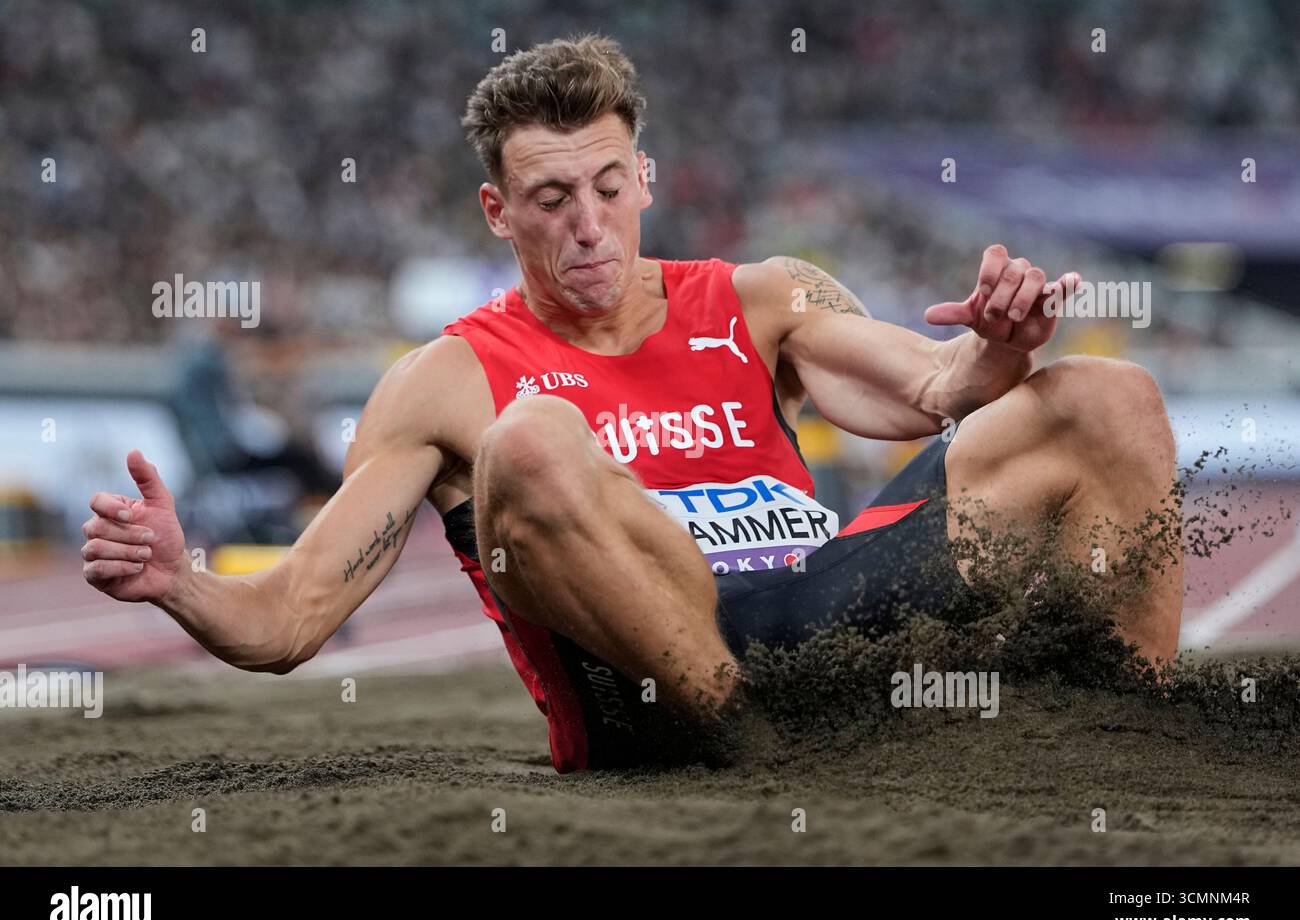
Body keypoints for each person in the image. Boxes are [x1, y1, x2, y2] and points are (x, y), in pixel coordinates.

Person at [82, 34, 1180, 773]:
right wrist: (177, 582)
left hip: (817, 627)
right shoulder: (446, 378)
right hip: (650, 695)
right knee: (532, 438)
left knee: (1109, 398)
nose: (590, 226)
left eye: (609, 188)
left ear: (644, 178)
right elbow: (288, 622)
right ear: (496, 212)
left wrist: (996, 346)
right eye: (552, 200)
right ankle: (764, 754)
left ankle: (1124, 734)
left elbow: (938, 393)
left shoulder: (760, 298)